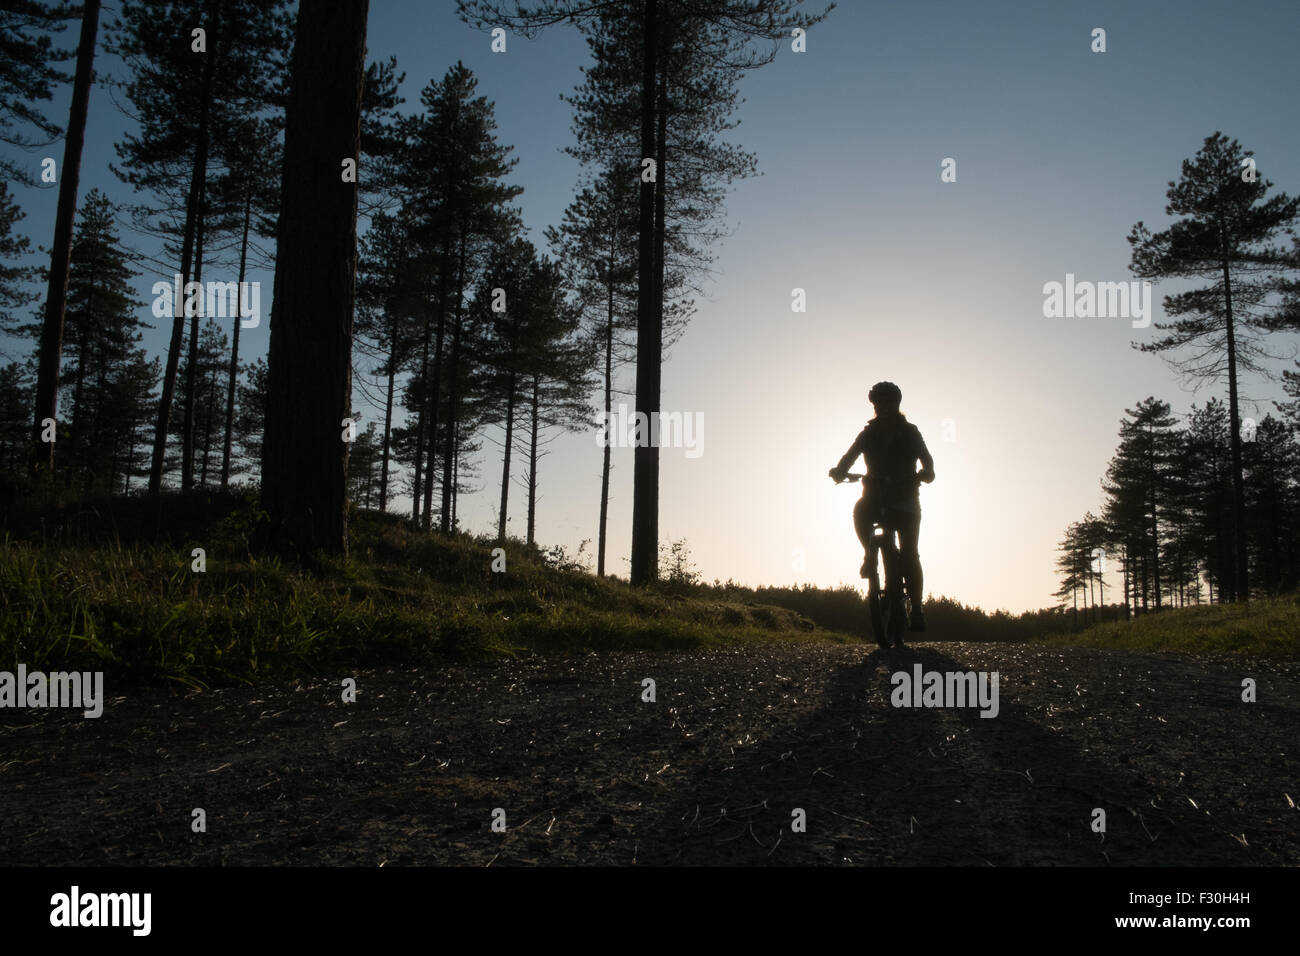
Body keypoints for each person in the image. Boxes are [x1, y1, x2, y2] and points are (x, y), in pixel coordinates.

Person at [828, 381, 935, 631]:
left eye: (887, 402)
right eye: (878, 403)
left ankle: (917, 608)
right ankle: (869, 554)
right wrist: (840, 470)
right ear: (874, 406)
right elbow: (850, 454)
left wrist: (926, 472)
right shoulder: (869, 433)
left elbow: (926, 459)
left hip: (905, 498)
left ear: (896, 404)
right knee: (860, 511)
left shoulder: (910, 432)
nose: (882, 407)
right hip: (875, 495)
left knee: (909, 553)